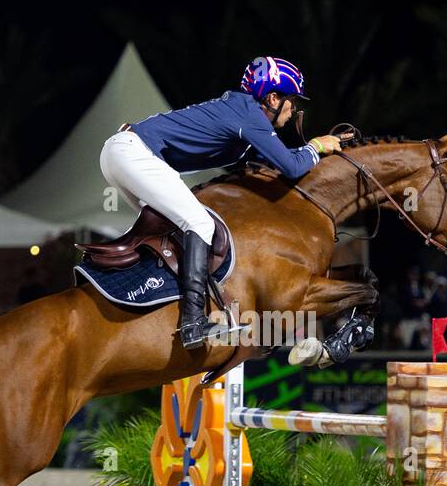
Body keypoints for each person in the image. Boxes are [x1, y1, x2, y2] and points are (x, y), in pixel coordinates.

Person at [101, 56, 349, 349]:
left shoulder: (244, 114)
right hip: (133, 154)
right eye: (291, 100)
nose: (293, 108)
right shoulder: (250, 116)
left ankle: (151, 300)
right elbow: (294, 167)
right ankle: (193, 323)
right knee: (199, 223)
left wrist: (316, 153)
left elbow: (281, 162)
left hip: (122, 154)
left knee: (171, 233)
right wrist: (316, 147)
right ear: (272, 98)